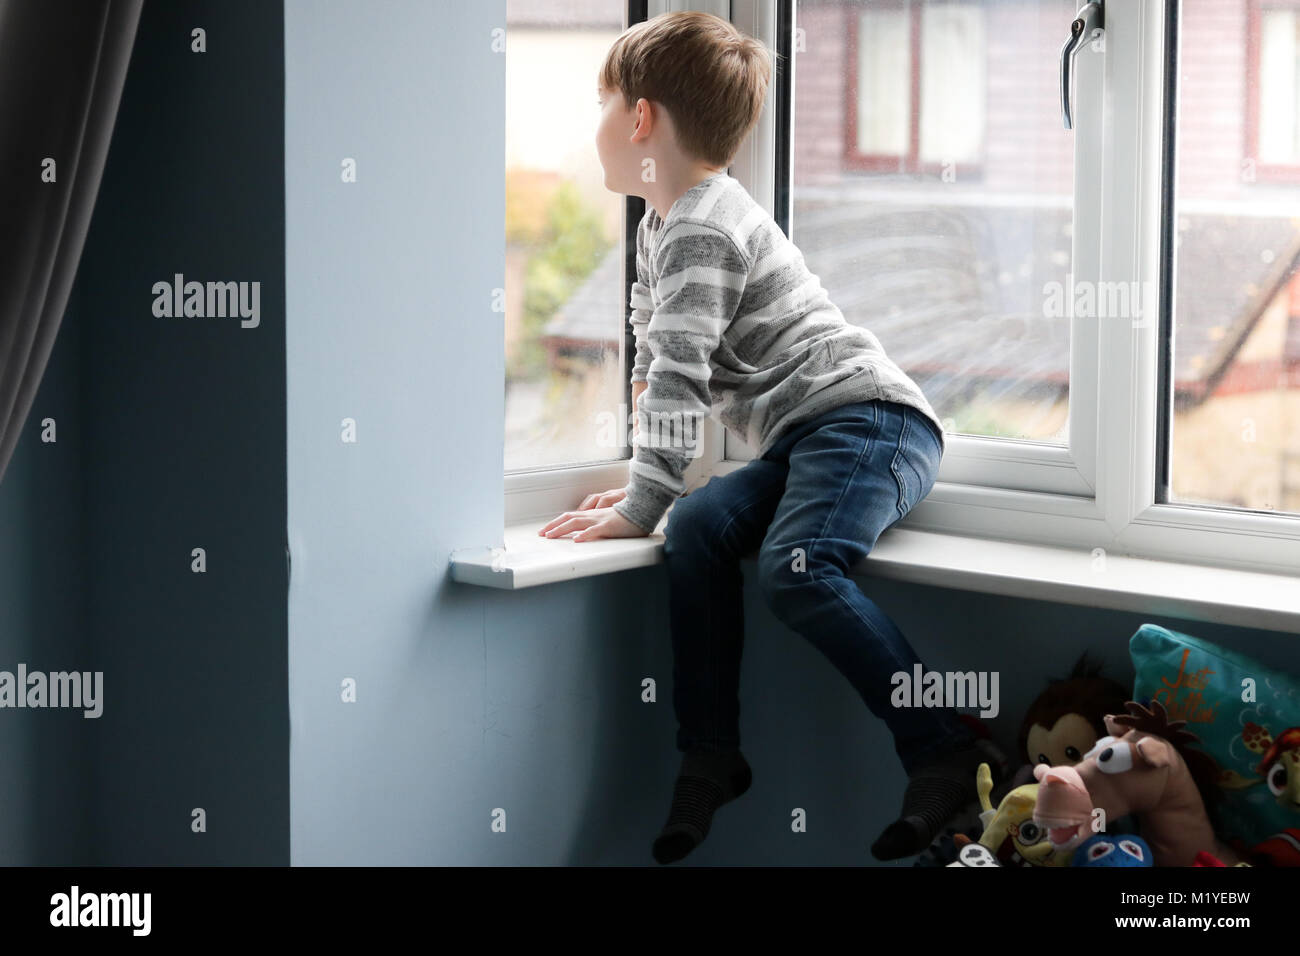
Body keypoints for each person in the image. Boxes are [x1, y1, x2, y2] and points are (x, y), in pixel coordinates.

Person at [538, 10, 997, 864]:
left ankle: (943, 746)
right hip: (804, 437)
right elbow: (658, 365)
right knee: (703, 526)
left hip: (871, 422)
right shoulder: (661, 226)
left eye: (603, 101)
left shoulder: (706, 225)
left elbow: (678, 375)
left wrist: (641, 503)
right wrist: (657, 490)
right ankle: (710, 751)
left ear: (639, 119)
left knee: (797, 570)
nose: (596, 121)